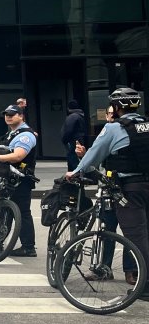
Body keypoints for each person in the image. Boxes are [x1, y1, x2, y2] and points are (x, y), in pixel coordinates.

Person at [69, 87, 148, 286]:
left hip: (127, 188)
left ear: (116, 107)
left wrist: (76, 171)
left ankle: (144, 284)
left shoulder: (114, 128)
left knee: (134, 235)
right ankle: (134, 274)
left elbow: (95, 153)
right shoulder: (146, 124)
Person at [0, 104, 38, 257]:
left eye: (12, 114)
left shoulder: (26, 135)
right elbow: (3, 155)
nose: (8, 116)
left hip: (21, 179)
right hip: (7, 177)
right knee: (4, 210)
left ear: (21, 116)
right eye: (6, 114)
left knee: (22, 212)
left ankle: (28, 247)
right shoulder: (10, 134)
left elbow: (18, 156)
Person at [61, 100, 89, 172]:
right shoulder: (81, 116)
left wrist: (64, 140)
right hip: (79, 139)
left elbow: (68, 131)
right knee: (78, 158)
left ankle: (75, 176)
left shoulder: (72, 117)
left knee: (73, 160)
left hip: (73, 141)